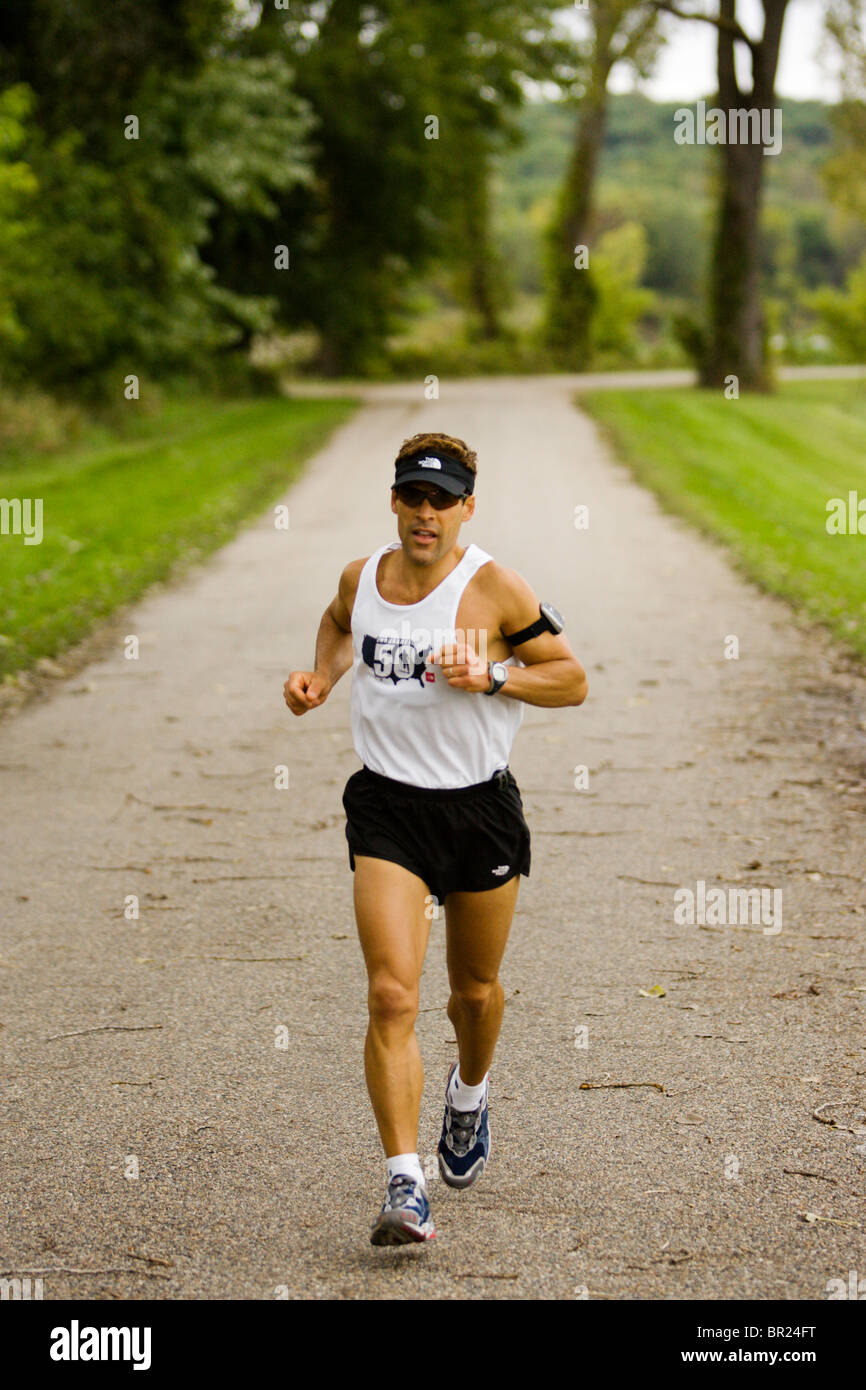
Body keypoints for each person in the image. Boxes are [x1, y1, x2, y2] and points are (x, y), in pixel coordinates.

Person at [284, 432, 588, 1246]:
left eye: (442, 500)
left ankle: (469, 1091)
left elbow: (571, 679)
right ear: (394, 501)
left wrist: (494, 676)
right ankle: (405, 1184)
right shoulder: (363, 578)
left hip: (478, 809)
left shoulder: (495, 589)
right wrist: (321, 675)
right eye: (413, 498)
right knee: (391, 994)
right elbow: (338, 623)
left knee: (474, 994)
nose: (426, 514)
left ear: (466, 509)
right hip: (386, 809)